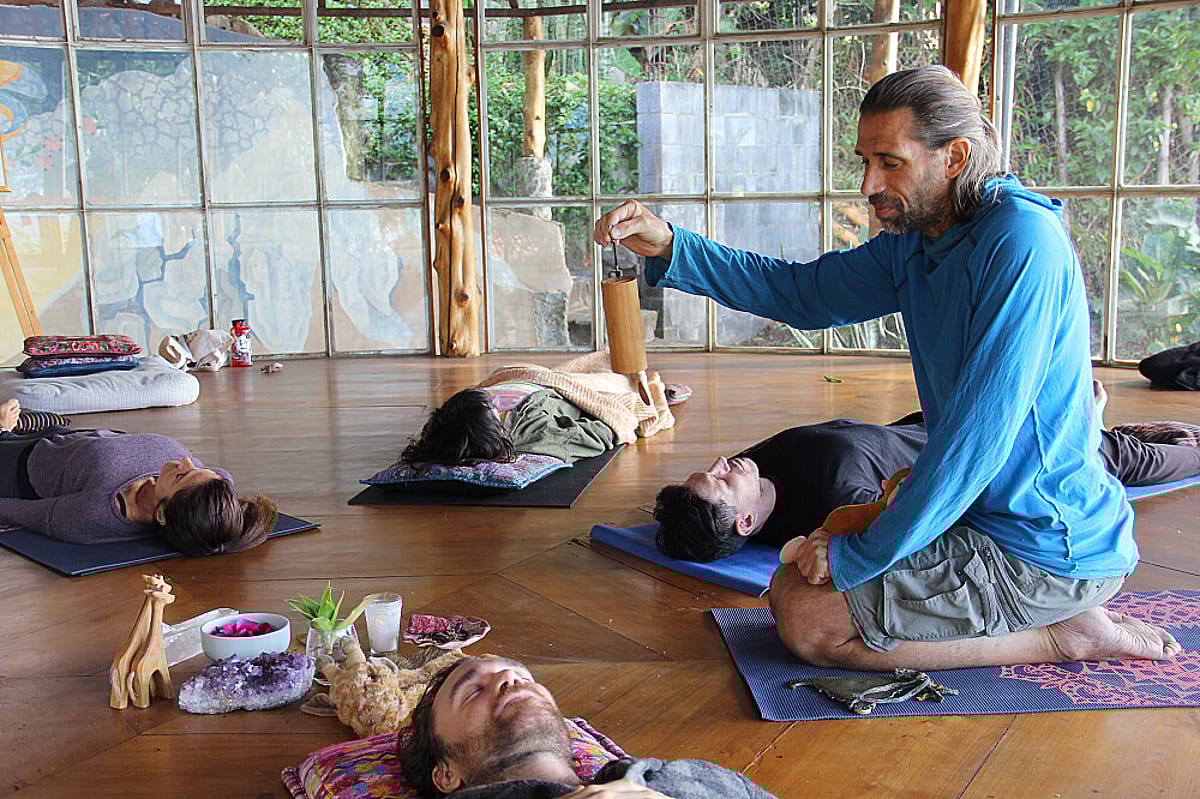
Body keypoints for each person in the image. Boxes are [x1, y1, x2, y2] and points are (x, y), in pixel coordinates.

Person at [595, 65, 1180, 670]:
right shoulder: (921, 236)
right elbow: (803, 294)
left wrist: (862, 555)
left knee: (808, 621)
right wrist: (672, 245)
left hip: (1041, 543)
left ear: (954, 156)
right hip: (974, 517)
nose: (870, 182)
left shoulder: (1020, 241)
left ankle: (1068, 634)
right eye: (864, 160)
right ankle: (1055, 618)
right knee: (788, 586)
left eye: (890, 161)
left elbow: (973, 443)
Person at [656, 383, 1200, 562]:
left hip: (939, 419)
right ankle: (1101, 433)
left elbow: (691, 522)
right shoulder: (835, 506)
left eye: (709, 470)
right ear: (746, 523)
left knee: (1112, 433)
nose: (721, 463)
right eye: (722, 480)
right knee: (1129, 458)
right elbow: (917, 524)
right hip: (1006, 456)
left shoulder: (754, 471)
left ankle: (1100, 426)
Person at [396, 655, 775, 798]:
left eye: (521, 674)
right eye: (472, 691)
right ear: (445, 774)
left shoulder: (671, 776)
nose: (509, 680)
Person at [0, 397, 276, 556]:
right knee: (47, 416)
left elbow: (14, 511)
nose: (184, 461)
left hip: (18, 461)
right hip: (75, 435)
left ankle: (6, 429)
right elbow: (221, 481)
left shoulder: (92, 514)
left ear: (163, 514)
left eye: (182, 476)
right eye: (202, 470)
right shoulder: (212, 489)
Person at [401, 351, 678, 468]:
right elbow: (599, 435)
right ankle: (649, 390)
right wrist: (605, 411)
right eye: (492, 407)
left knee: (609, 360)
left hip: (542, 378)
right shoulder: (535, 433)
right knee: (627, 380)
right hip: (571, 393)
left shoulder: (458, 417)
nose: (495, 403)